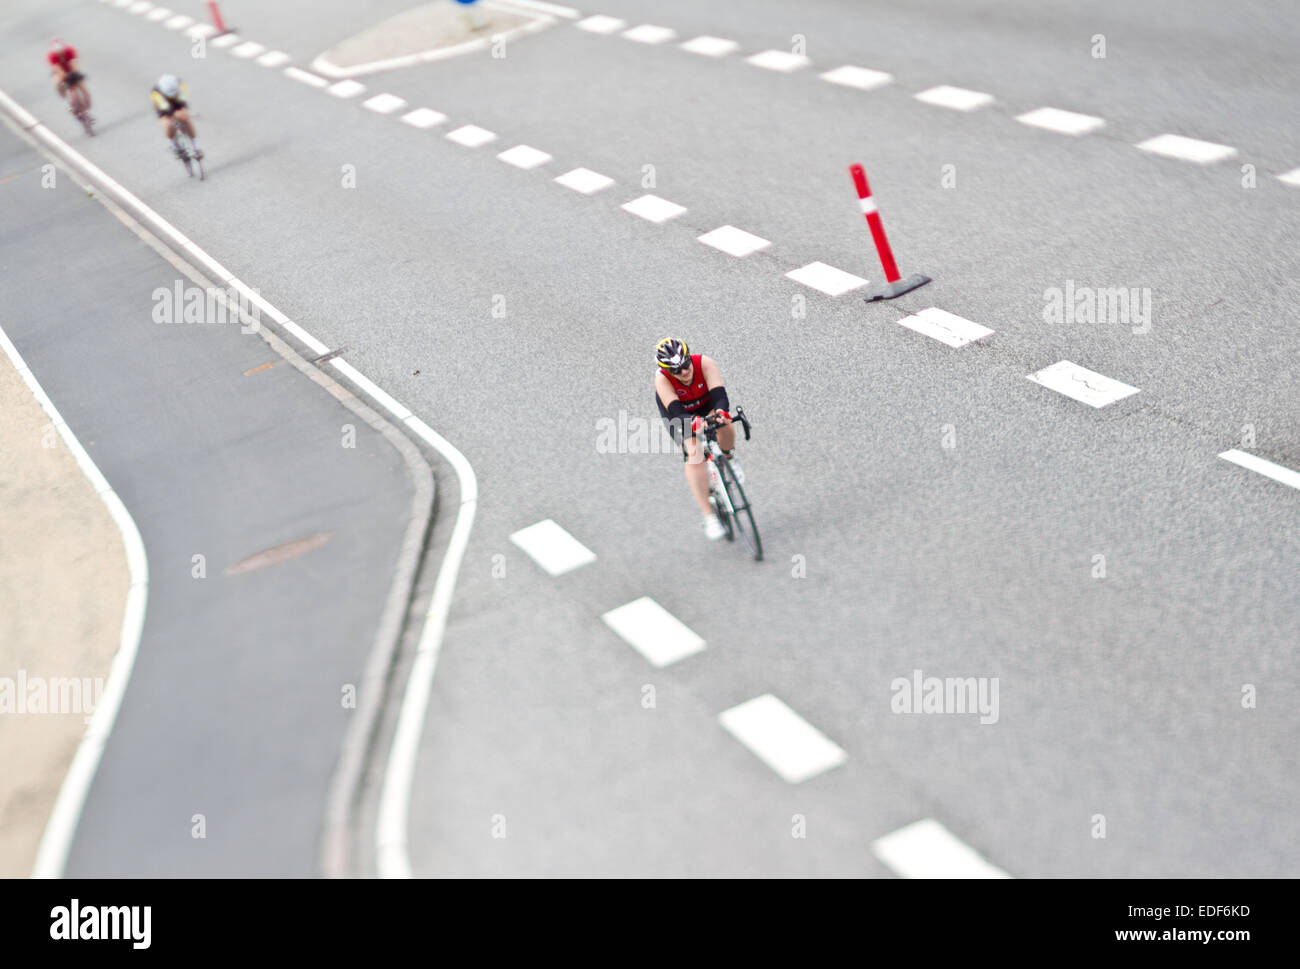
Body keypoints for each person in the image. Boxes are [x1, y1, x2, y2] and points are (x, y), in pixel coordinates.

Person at [653, 338, 744, 540]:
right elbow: (677, 412)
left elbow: (720, 396)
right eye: (676, 370)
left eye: (685, 365)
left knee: (724, 422)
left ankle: (729, 457)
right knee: (694, 453)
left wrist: (720, 412)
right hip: (679, 414)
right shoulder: (662, 380)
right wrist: (693, 422)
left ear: (689, 358)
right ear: (667, 371)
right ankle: (708, 515)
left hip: (706, 403)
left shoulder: (704, 363)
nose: (684, 372)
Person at [151, 74, 202, 160]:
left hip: (177, 101)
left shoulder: (181, 85)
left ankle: (196, 147)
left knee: (185, 119)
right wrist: (174, 115)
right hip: (163, 105)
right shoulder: (156, 93)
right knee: (168, 124)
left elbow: (183, 100)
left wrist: (184, 114)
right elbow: (166, 108)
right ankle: (173, 145)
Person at [48, 39, 91, 122]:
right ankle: (65, 97)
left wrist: (76, 73)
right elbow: (57, 69)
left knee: (85, 91)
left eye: (62, 51)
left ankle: (86, 110)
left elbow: (74, 64)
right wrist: (63, 78)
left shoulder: (70, 51)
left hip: (71, 70)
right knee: (57, 82)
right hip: (60, 72)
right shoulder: (51, 56)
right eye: (58, 52)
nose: (60, 53)